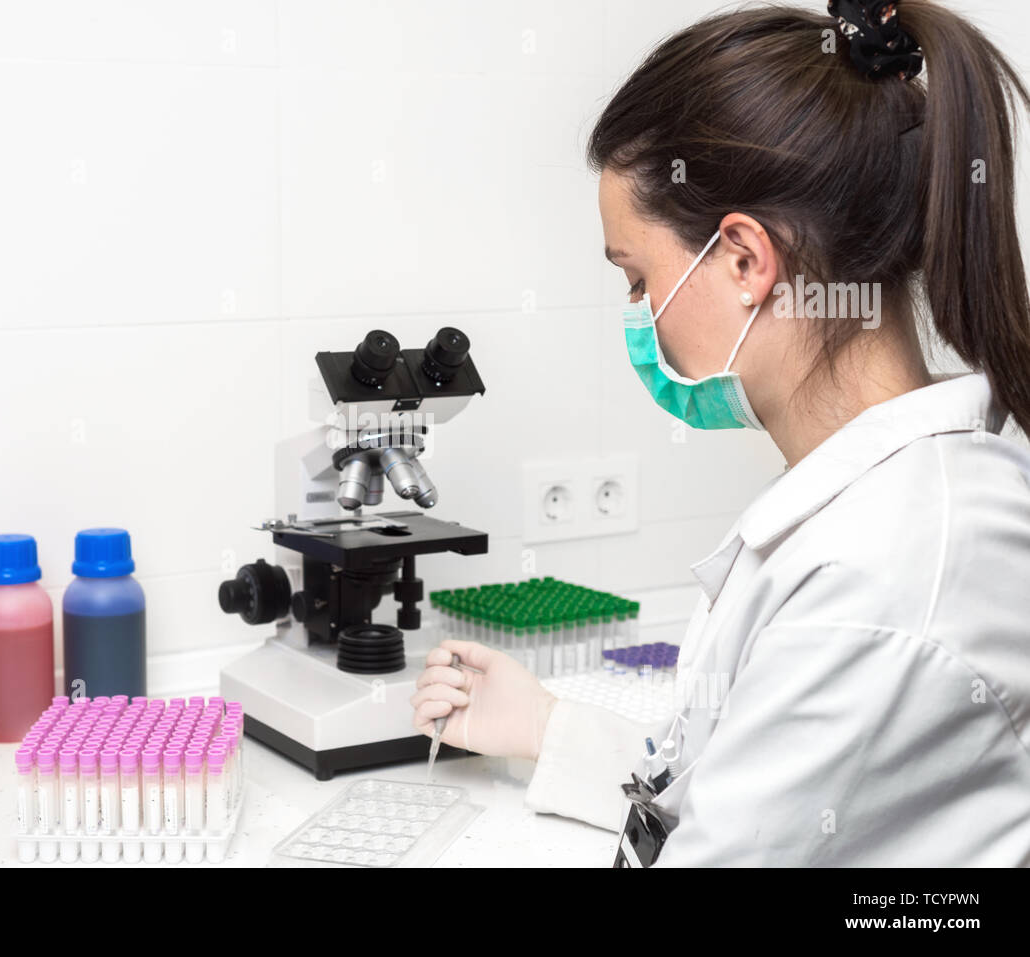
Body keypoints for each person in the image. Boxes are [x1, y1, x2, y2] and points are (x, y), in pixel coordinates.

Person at [411, 0, 1030, 866]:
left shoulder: (886, 571)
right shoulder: (869, 507)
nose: (638, 316)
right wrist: (551, 729)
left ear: (744, 260)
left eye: (638, 277)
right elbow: (753, 793)